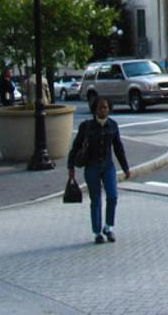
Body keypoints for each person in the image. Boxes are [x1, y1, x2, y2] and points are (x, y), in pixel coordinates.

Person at [68, 95, 131, 244]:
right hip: (92, 166)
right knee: (95, 200)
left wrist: (126, 167)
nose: (103, 110)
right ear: (95, 109)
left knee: (113, 196)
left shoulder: (113, 125)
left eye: (106, 107)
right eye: (100, 107)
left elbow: (118, 148)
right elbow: (75, 147)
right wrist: (71, 167)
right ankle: (97, 232)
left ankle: (108, 227)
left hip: (108, 166)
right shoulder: (87, 126)